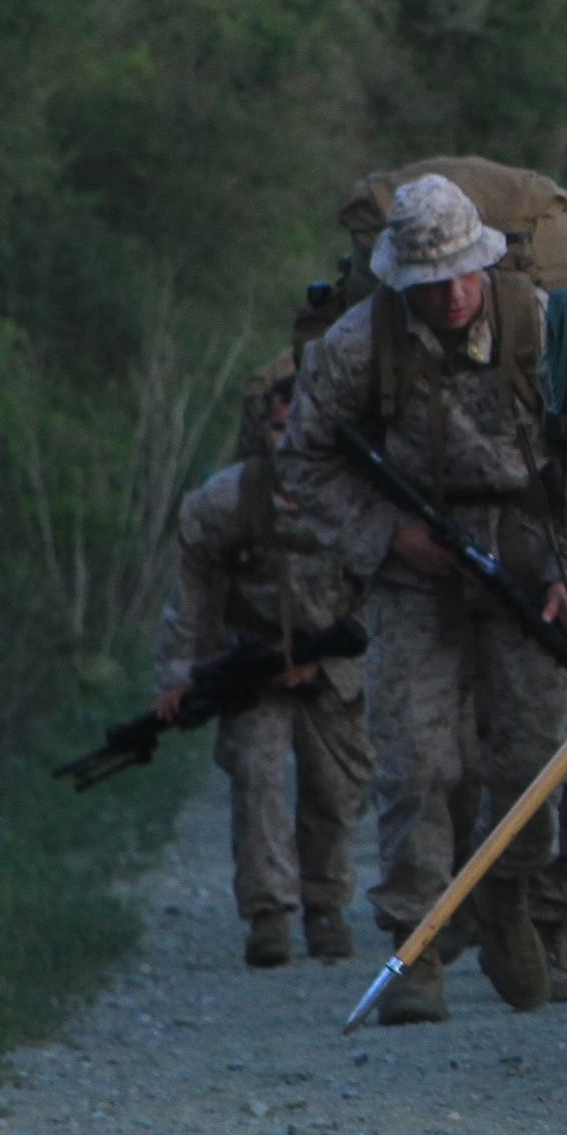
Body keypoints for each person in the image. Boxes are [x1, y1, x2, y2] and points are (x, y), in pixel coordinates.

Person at [281, 173, 567, 1025]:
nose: (453, 295)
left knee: (537, 758)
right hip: (415, 569)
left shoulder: (538, 324)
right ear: (401, 279)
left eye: (465, 273)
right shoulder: (356, 345)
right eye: (432, 281)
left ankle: (508, 898)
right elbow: (304, 462)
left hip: (527, 557)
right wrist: (388, 537)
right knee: (419, 761)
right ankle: (415, 944)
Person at [157, 355, 370, 968]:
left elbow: (383, 590)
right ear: (262, 431)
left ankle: (326, 904)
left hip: (335, 663)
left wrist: (326, 660)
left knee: (334, 787)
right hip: (250, 663)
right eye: (280, 429)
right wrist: (178, 675)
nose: (291, 441)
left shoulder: (353, 500)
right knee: (259, 776)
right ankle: (269, 912)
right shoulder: (224, 502)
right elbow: (189, 591)